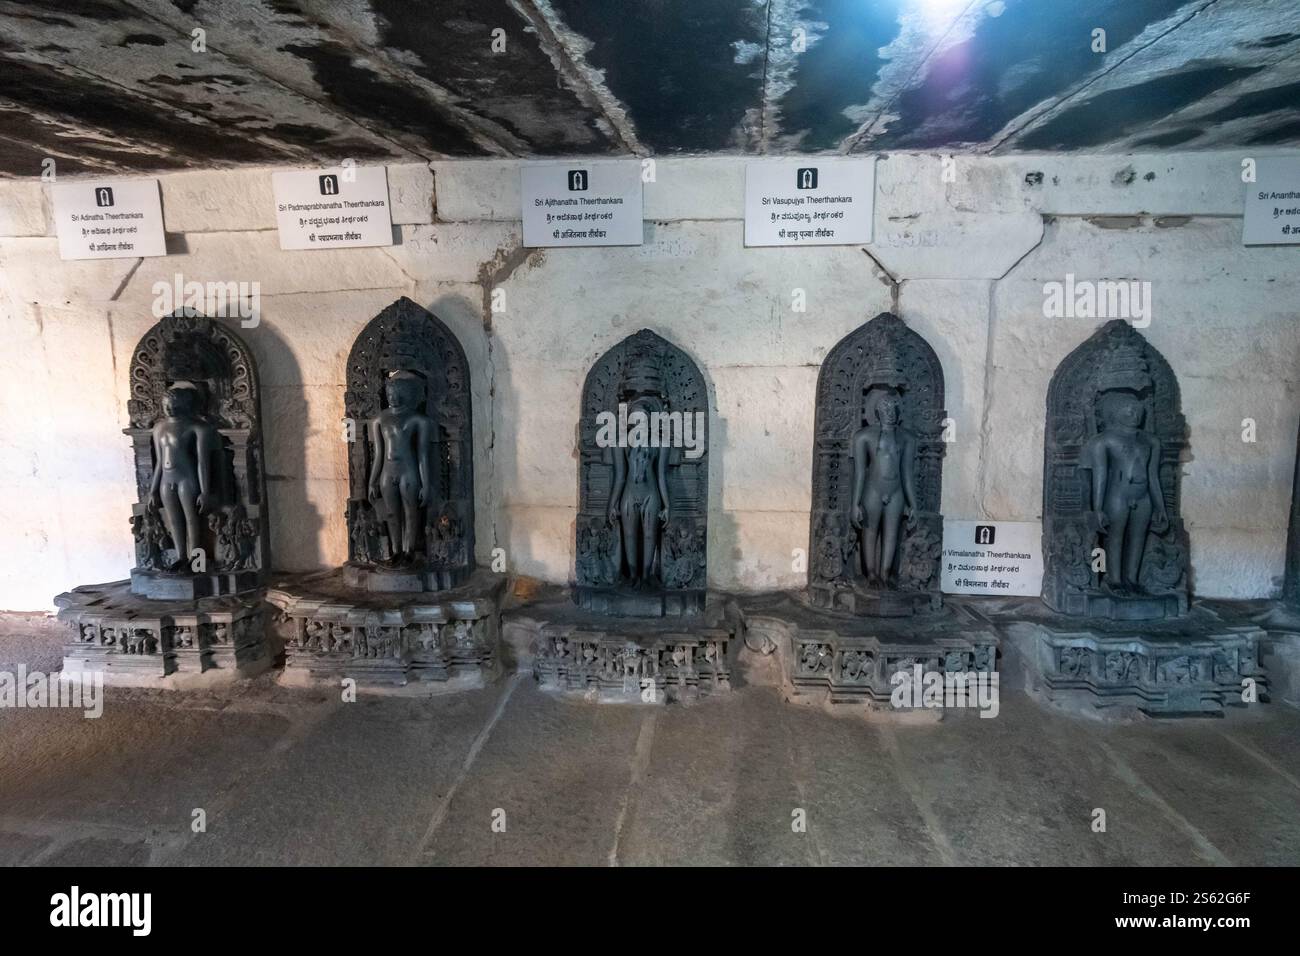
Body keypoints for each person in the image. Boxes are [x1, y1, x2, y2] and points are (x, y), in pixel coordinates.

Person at [1083, 391, 1169, 594]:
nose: (1135, 414)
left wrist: (1160, 507)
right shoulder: (1103, 441)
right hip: (1117, 494)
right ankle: (1114, 580)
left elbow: (1153, 476)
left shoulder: (1151, 441)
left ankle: (1132, 579)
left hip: (1144, 495)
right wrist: (1097, 508)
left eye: (1138, 410)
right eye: (1129, 409)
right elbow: (1100, 476)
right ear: (1114, 412)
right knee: (1116, 536)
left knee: (1138, 537)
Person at [849, 394, 918, 587]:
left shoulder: (907, 438)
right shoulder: (864, 436)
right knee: (869, 531)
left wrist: (914, 505)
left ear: (899, 411)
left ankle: (886, 573)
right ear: (877, 412)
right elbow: (860, 472)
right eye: (885, 408)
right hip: (873, 490)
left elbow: (907, 473)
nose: (889, 412)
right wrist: (855, 504)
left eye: (893, 407)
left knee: (891, 533)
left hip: (896, 492)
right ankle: (871, 574)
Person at [148, 384, 216, 569]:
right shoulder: (159, 428)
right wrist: (153, 491)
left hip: (187, 478)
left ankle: (196, 560)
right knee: (174, 520)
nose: (169, 409)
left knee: (192, 518)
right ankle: (181, 557)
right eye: (166, 405)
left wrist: (205, 492)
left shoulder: (198, 428)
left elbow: (203, 462)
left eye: (173, 405)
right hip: (166, 479)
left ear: (185, 406)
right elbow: (160, 462)